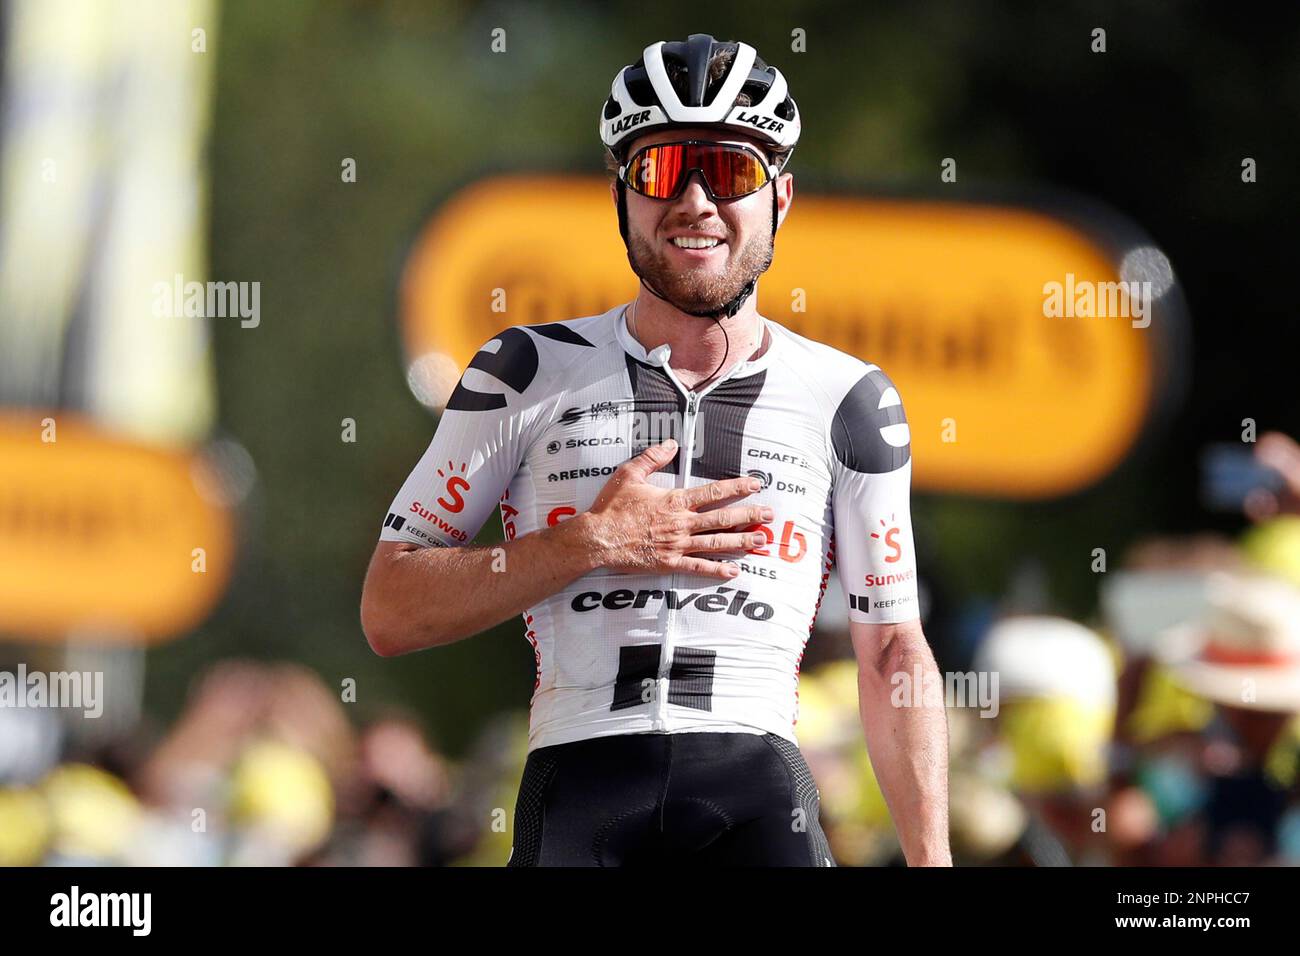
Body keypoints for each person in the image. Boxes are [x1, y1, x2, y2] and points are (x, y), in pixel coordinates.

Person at [361, 33, 950, 867]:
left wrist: (934, 859)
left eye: (731, 171)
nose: (698, 201)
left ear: (781, 197)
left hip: (757, 786)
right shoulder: (525, 371)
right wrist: (591, 543)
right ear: (622, 196)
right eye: (665, 169)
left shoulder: (851, 399)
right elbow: (390, 608)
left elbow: (892, 649)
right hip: (580, 778)